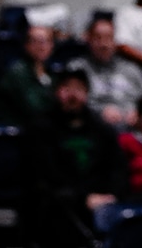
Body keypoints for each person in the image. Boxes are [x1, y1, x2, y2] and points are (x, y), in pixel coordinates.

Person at [30, 62, 126, 247]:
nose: (73, 95)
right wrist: (83, 198)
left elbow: (117, 167)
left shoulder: (102, 129)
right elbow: (45, 174)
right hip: (57, 203)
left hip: (100, 200)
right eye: (67, 88)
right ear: (57, 92)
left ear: (87, 94)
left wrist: (111, 195)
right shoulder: (40, 128)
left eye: (79, 89)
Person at [81, 13, 142, 127]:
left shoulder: (131, 69)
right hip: (95, 127)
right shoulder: (78, 69)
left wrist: (138, 112)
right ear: (88, 39)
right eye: (98, 38)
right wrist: (99, 111)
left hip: (133, 127)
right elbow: (72, 102)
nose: (104, 44)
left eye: (109, 38)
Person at [0, 22, 56, 128]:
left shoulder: (51, 72)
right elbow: (34, 107)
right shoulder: (17, 72)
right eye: (35, 41)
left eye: (45, 41)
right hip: (18, 130)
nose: (41, 46)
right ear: (26, 45)